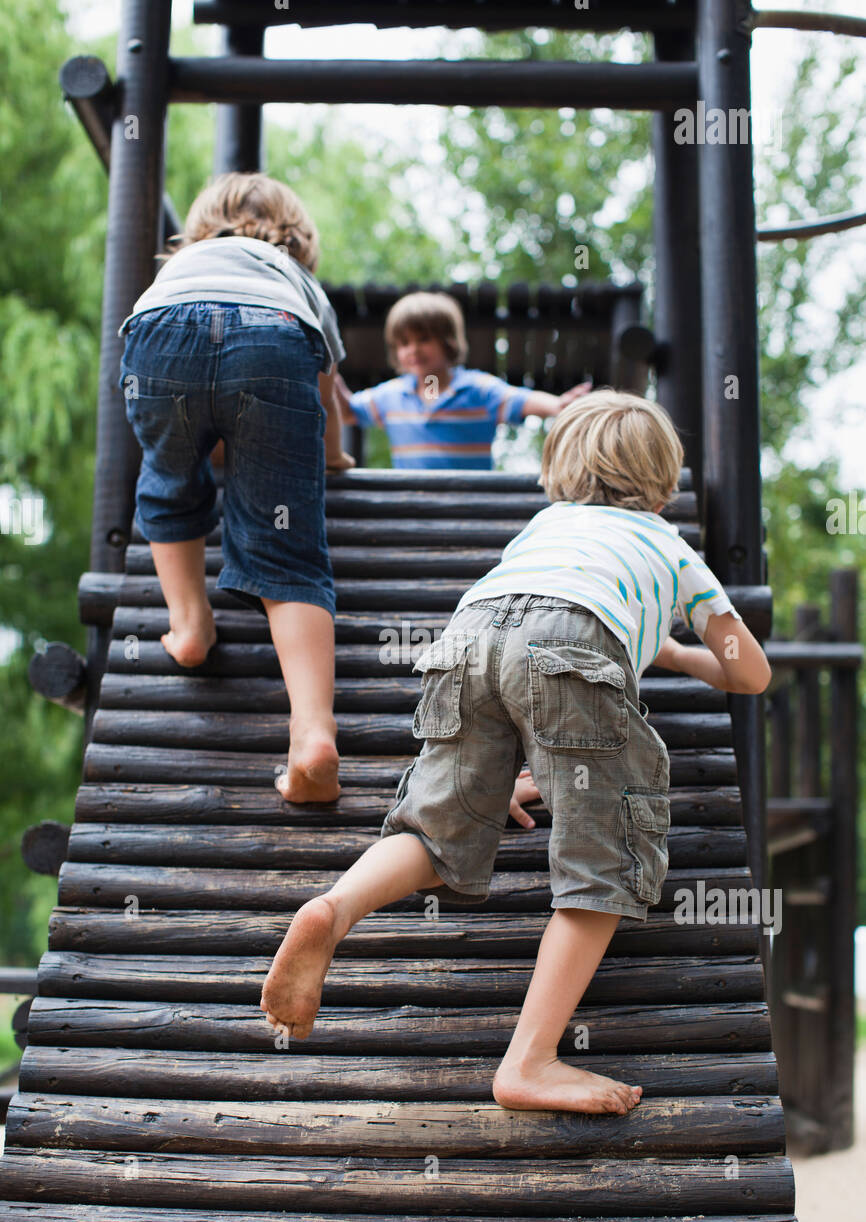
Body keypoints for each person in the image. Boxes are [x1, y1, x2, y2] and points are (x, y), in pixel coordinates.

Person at [260, 389, 771, 1114]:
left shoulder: (543, 527)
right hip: (573, 645)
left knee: (436, 828)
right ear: (663, 486)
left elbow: (520, 655)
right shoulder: (668, 545)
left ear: (559, 470)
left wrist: (504, 770)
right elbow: (750, 673)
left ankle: (335, 909)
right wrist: (682, 653)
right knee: (606, 861)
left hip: (471, 633)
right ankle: (530, 1061)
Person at [118, 173, 354, 804]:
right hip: (274, 337)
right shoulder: (292, 278)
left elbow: (207, 384)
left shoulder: (184, 265)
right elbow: (325, 392)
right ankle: (312, 731)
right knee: (288, 552)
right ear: (299, 237)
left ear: (198, 228)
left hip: (158, 332)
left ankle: (189, 626)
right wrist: (332, 458)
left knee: (168, 483)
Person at [335, 290, 591, 469]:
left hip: (470, 504)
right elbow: (347, 411)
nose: (413, 349)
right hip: (410, 504)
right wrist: (328, 370)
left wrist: (557, 405)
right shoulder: (390, 395)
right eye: (404, 343)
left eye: (424, 339)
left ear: (448, 342)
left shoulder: (478, 389)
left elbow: (523, 400)